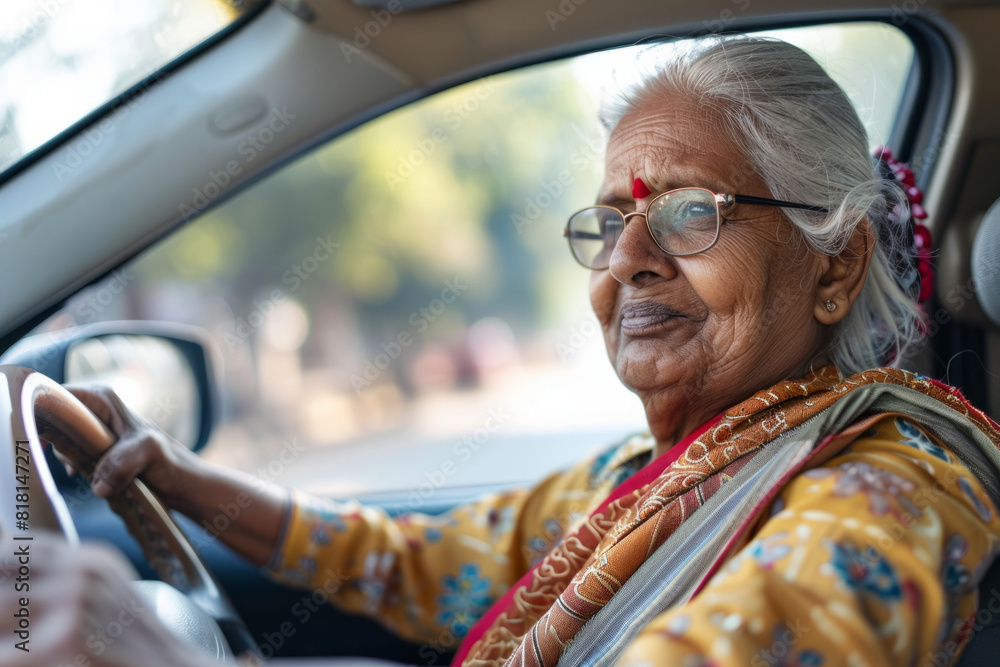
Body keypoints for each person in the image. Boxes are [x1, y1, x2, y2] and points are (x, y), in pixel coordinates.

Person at [7, 34, 1000, 667]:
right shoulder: (636, 475)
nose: (631, 261)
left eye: (694, 212)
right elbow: (410, 560)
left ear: (835, 267)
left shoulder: (891, 490)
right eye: (609, 223)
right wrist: (182, 481)